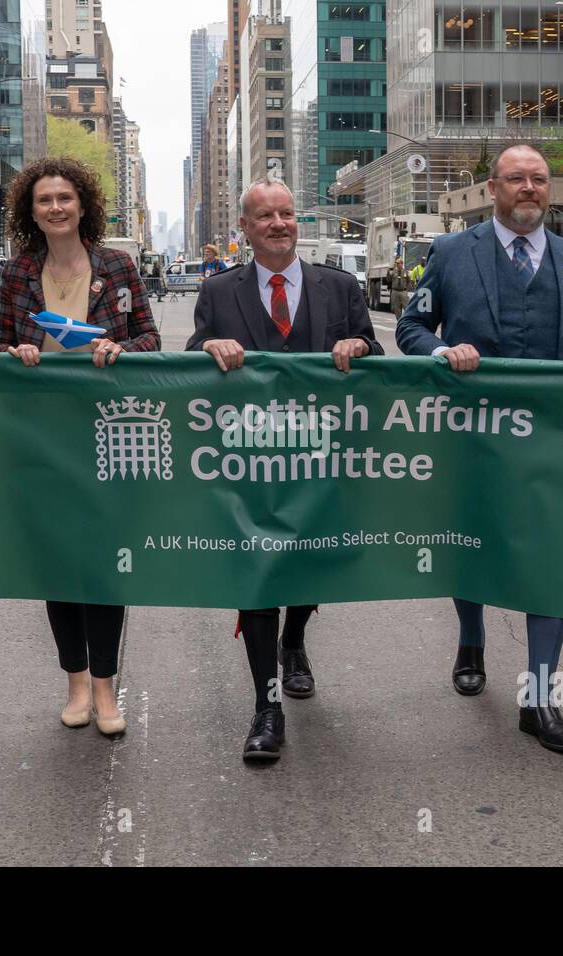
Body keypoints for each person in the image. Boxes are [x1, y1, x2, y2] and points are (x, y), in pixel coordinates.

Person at [395, 143, 563, 756]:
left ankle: (541, 696)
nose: (529, 189)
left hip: (557, 438)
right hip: (473, 434)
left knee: (552, 558)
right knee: (474, 542)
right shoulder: (448, 254)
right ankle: (471, 637)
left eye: (539, 180)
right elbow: (411, 328)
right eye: (516, 179)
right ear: (491, 188)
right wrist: (442, 353)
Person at [185, 173, 385, 762]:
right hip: (249, 457)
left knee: (309, 561)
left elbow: (371, 346)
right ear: (244, 228)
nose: (279, 225)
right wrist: (208, 348)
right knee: (258, 574)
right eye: (265, 216)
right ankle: (265, 706)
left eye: (287, 214)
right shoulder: (220, 292)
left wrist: (360, 348)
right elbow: (196, 350)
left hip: (322, 454)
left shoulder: (341, 286)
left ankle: (294, 641)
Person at [0, 157, 161, 738]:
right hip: (43, 439)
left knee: (104, 563)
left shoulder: (116, 265)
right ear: (30, 212)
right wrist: (19, 354)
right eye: (44, 200)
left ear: (83, 204)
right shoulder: (18, 272)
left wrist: (120, 349)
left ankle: (109, 688)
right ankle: (76, 682)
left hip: (109, 433)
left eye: (65, 197)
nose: (56, 207)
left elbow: (150, 338)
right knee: (59, 566)